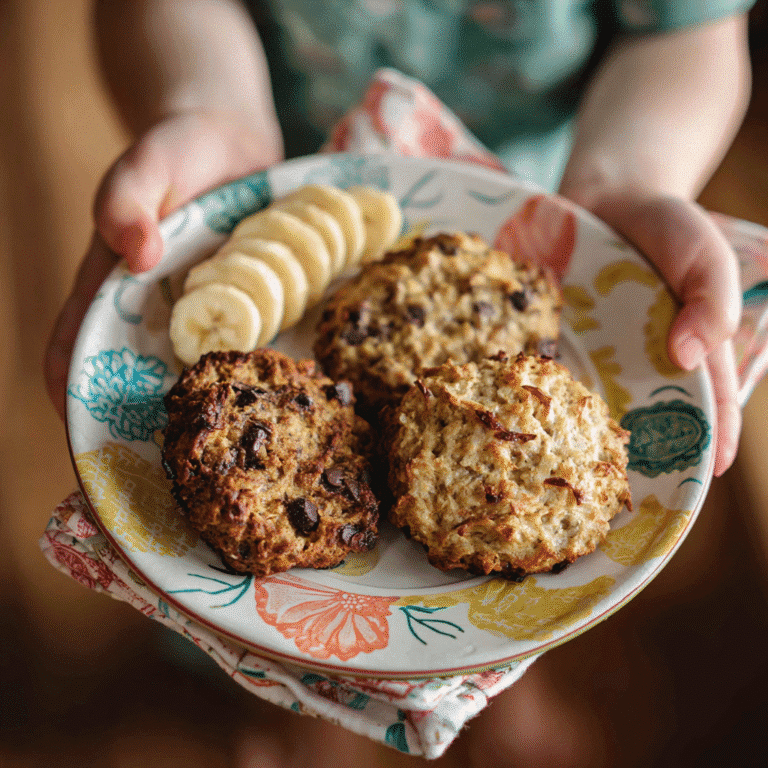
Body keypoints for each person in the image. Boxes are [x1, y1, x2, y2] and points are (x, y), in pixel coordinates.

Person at [43, 1, 755, 765]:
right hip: (273, 170)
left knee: (507, 620)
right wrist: (203, 104)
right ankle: (294, 702)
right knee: (242, 615)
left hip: (556, 187)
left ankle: (474, 697)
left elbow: (692, 30)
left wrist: (630, 181)